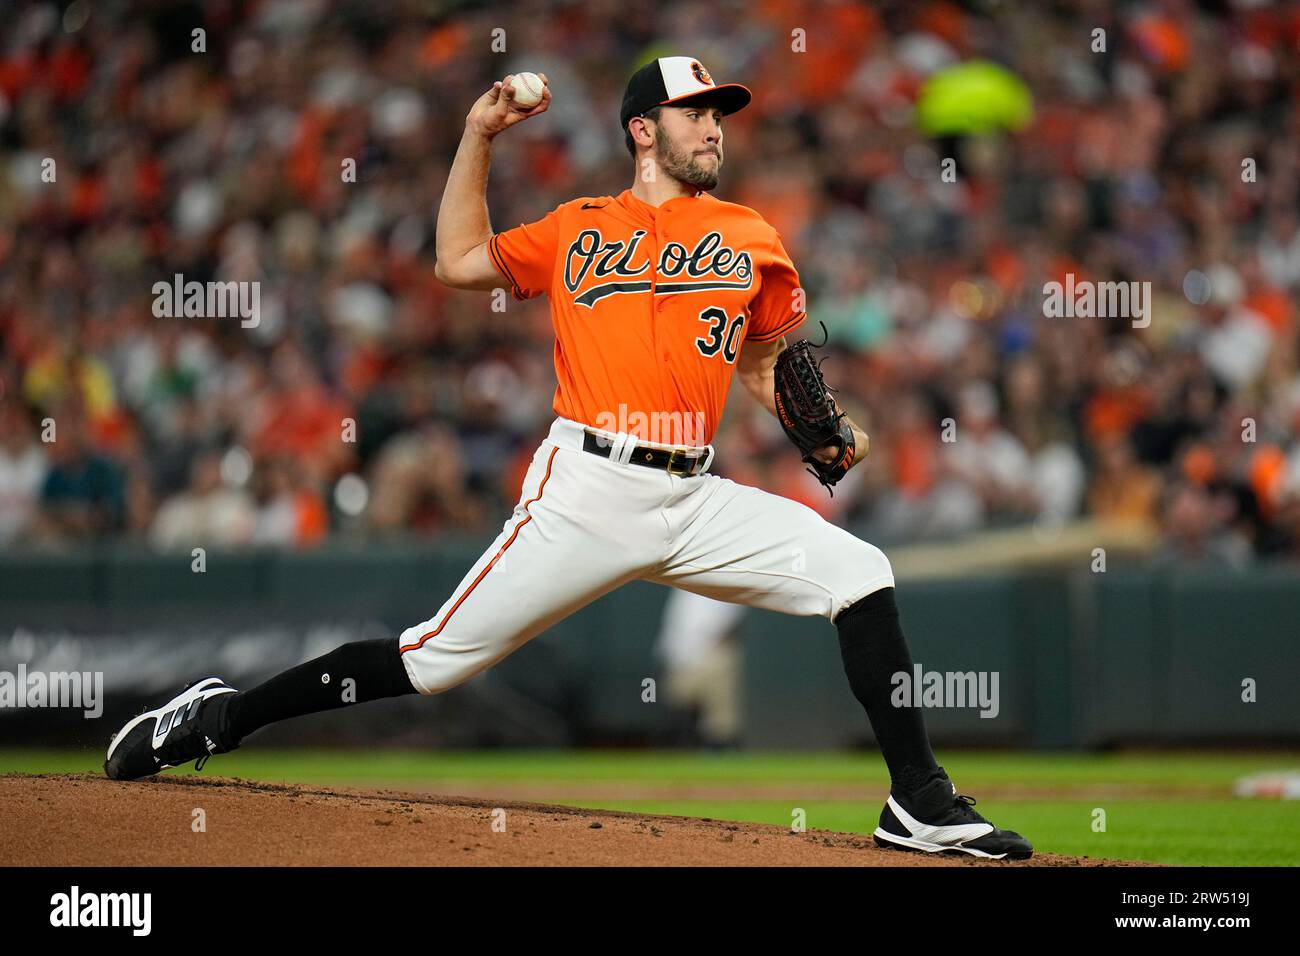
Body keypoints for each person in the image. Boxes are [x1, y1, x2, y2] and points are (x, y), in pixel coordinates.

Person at [105, 57, 1031, 860]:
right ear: (643, 129)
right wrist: (479, 134)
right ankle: (220, 718)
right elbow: (458, 260)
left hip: (697, 494)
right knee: (433, 661)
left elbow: (766, 366)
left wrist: (827, 427)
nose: (714, 127)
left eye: (720, 114)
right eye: (697, 112)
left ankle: (919, 801)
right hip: (585, 487)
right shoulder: (578, 225)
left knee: (859, 571)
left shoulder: (753, 234)